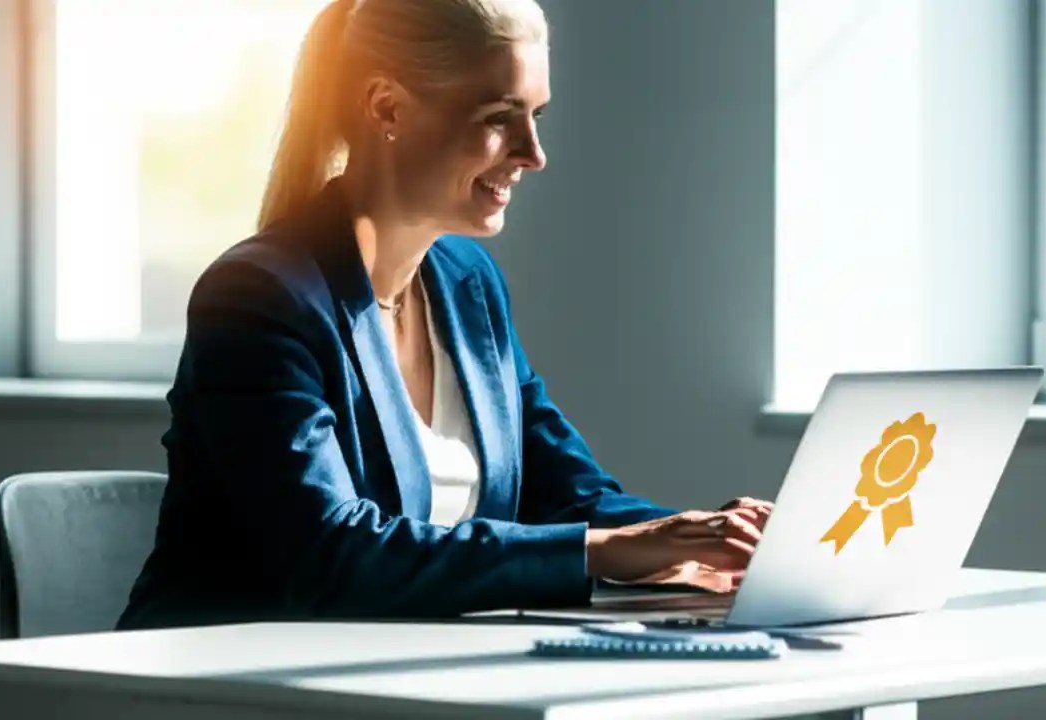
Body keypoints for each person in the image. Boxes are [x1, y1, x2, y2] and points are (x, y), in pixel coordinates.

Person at [118, 0, 771, 630]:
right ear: (387, 107)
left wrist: (712, 541)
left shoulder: (469, 286)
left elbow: (571, 497)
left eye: (537, 115)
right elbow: (327, 554)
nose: (532, 152)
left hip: (398, 675)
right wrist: (599, 551)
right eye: (499, 116)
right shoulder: (259, 297)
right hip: (228, 690)